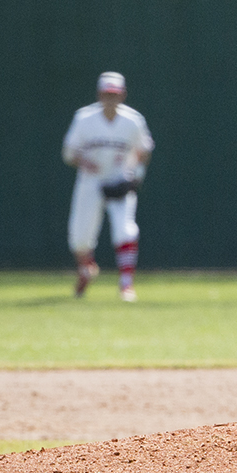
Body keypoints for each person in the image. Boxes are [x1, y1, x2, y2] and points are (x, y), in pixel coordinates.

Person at [62, 72, 154, 302]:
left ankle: (126, 285)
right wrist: (84, 162)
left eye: (114, 94)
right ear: (99, 95)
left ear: (122, 95)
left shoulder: (133, 120)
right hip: (91, 181)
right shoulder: (84, 118)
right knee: (79, 239)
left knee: (125, 230)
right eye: (106, 94)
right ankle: (86, 268)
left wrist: (136, 174)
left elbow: (143, 150)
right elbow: (69, 153)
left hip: (118, 179)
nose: (110, 99)